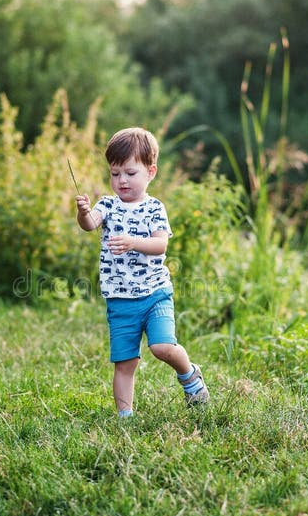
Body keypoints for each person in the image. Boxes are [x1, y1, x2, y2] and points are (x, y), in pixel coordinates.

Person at [75, 126, 210, 417]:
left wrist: (134, 242)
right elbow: (89, 224)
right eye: (115, 173)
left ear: (150, 172)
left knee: (162, 347)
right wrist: (84, 212)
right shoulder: (107, 205)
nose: (121, 180)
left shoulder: (154, 209)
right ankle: (126, 418)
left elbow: (160, 245)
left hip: (155, 294)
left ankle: (190, 375)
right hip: (120, 299)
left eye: (130, 173)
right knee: (125, 363)